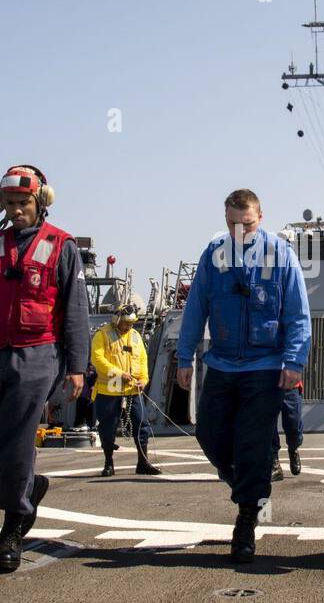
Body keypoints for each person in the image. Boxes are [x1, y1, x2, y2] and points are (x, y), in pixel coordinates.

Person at [0, 165, 90, 572]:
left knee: (16, 441)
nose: (16, 211)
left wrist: (77, 366)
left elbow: (76, 312)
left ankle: (13, 526)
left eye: (23, 204)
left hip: (39, 354)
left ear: (40, 202)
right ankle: (29, 488)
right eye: (10, 204)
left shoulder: (62, 246)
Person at [177, 189, 311, 564]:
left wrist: (294, 361)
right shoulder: (214, 254)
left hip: (265, 366)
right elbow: (196, 306)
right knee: (209, 434)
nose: (240, 231)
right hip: (221, 364)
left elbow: (298, 314)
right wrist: (184, 357)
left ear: (261, 217)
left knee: (252, 443)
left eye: (247, 224)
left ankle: (246, 521)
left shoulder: (281, 254)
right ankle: (248, 488)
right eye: (232, 224)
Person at [90, 304, 160, 476]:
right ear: (117, 320)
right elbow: (97, 358)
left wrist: (144, 380)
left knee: (141, 425)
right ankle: (108, 463)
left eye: (131, 323)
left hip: (133, 391)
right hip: (108, 391)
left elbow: (143, 360)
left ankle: (143, 462)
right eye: (126, 323)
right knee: (108, 427)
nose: (129, 326)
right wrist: (119, 373)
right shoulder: (102, 335)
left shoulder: (136, 337)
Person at [269, 381, 304, 480]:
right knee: (268, 425)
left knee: (294, 424)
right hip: (267, 384)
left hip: (291, 384)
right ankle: (274, 464)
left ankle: (293, 448)